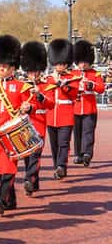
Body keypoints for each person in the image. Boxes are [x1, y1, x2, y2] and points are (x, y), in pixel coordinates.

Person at [0, 35, 39, 215]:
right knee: (1, 168)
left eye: (4, 67)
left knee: (8, 167)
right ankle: (11, 201)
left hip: (13, 132)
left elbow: (33, 104)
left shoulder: (21, 86)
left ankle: (0, 199)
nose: (1, 69)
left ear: (12, 68)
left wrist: (28, 107)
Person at [20, 41, 53, 195]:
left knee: (35, 154)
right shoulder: (22, 86)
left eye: (36, 71)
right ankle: (34, 182)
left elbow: (51, 104)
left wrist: (39, 95)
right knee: (28, 156)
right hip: (25, 125)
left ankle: (28, 179)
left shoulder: (47, 85)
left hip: (39, 124)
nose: (33, 74)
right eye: (31, 71)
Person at [45, 38, 79, 179]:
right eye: (57, 63)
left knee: (64, 143)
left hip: (66, 114)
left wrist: (63, 85)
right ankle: (57, 167)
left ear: (66, 64)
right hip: (51, 115)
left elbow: (73, 93)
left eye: (62, 64)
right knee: (54, 145)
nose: (59, 66)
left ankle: (61, 166)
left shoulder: (73, 77)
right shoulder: (49, 78)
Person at [72, 40, 104, 166]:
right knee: (77, 133)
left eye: (84, 62)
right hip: (76, 107)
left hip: (89, 108)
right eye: (80, 62)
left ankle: (87, 154)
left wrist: (91, 85)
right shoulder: (73, 74)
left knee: (88, 132)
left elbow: (101, 88)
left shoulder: (95, 73)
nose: (82, 64)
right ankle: (79, 155)